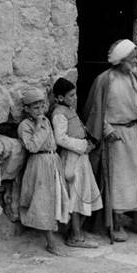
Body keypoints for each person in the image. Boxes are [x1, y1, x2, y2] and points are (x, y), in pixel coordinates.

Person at [84, 39, 137, 242]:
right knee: (119, 181)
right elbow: (95, 112)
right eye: (132, 57)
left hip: (134, 133)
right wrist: (106, 129)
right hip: (115, 137)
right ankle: (116, 222)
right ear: (122, 60)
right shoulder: (105, 80)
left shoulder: (135, 77)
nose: (135, 60)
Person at [16, 87, 69, 255]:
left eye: (42, 106)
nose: (40, 111)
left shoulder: (46, 120)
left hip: (52, 162)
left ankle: (60, 235)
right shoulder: (25, 126)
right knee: (43, 202)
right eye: (35, 108)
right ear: (27, 109)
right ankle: (51, 243)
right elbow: (32, 146)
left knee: (55, 199)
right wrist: (38, 126)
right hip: (39, 165)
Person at [50, 78, 101, 249]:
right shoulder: (59, 114)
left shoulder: (69, 111)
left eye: (75, 94)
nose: (75, 97)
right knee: (76, 196)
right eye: (71, 95)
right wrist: (83, 145)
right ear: (60, 98)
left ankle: (75, 231)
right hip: (72, 159)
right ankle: (75, 236)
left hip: (80, 159)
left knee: (83, 194)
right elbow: (60, 138)